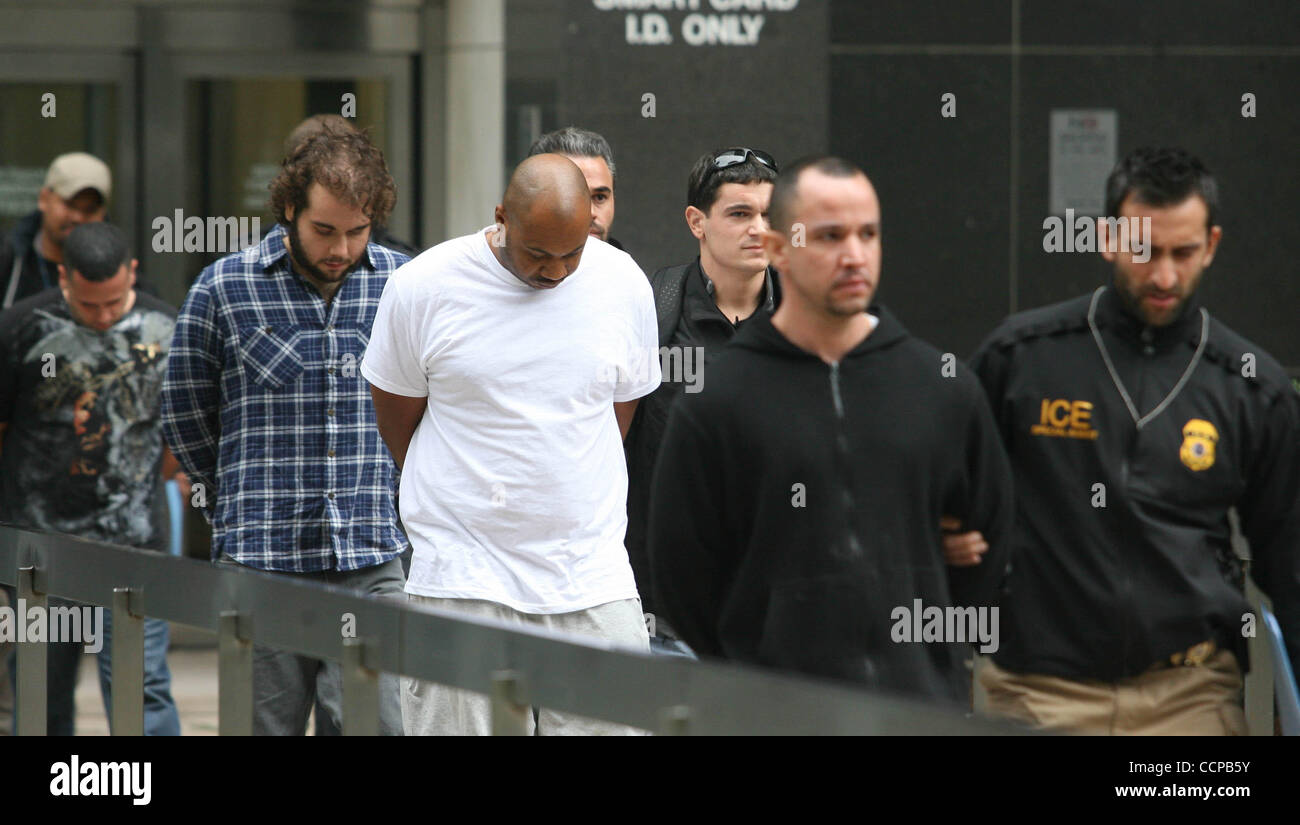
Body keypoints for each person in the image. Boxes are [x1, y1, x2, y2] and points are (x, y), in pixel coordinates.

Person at [647, 156, 1014, 702]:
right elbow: (683, 573)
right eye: (829, 236)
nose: (854, 256)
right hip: (772, 711)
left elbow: (989, 547)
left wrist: (925, 657)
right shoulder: (719, 401)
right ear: (778, 249)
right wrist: (754, 669)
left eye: (868, 234)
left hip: (917, 707)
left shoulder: (940, 387)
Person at [970, 146, 1300, 734]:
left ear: (1213, 245)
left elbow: (1290, 564)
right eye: (1144, 250)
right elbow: (945, 499)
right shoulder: (1020, 359)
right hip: (1041, 694)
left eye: (1184, 252)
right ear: (1106, 237)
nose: (1164, 275)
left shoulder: (1253, 387)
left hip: (1190, 696)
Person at [362, 154, 660, 735]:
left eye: (572, 254)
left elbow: (616, 411)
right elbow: (399, 420)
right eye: (539, 255)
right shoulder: (423, 286)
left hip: (592, 580)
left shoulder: (622, 281)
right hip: (462, 582)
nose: (556, 273)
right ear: (501, 218)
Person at [160, 125, 409, 736]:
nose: (341, 248)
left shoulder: (405, 286)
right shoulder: (224, 288)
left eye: (357, 230)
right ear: (290, 208)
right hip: (261, 559)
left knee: (375, 726)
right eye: (324, 230)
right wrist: (239, 497)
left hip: (371, 554)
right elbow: (185, 412)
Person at [0, 222, 181, 736]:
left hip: (134, 547)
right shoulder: (20, 330)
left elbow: (179, 434)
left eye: (113, 302)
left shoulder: (166, 328)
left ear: (132, 274)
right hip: (39, 550)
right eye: (87, 306)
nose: (101, 318)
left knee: (142, 688)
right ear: (63, 278)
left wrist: (148, 480)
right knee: (40, 690)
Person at [624, 147, 780, 657]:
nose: (759, 228)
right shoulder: (652, 311)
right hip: (665, 618)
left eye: (769, 214)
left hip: (780, 621)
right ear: (698, 221)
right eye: (740, 214)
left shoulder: (810, 324)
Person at [1, 152, 110, 309]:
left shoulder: (120, 276)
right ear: (44, 199)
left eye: (90, 209)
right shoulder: (8, 262)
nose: (77, 217)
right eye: (70, 204)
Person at [527, 127, 623, 250]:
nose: (590, 213)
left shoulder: (627, 268)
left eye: (600, 197)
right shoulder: (499, 263)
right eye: (572, 198)